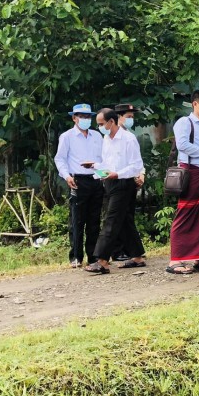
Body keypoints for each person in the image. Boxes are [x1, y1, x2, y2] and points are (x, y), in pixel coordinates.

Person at [84, 109, 146, 274]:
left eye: (101, 124)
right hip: (109, 182)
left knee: (111, 220)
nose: (99, 127)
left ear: (112, 121)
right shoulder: (106, 139)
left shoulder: (128, 139)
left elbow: (136, 165)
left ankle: (102, 260)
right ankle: (137, 257)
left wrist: (117, 174)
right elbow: (107, 163)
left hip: (124, 183)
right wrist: (95, 166)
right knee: (124, 220)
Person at [167, 90, 199, 274]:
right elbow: (183, 145)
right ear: (195, 104)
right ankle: (175, 259)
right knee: (185, 213)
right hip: (191, 171)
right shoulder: (184, 123)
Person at [54, 103, 104, 269]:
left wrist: (103, 176)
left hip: (96, 179)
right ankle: (75, 256)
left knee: (94, 220)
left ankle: (93, 256)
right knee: (77, 220)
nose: (85, 119)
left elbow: (103, 158)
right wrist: (67, 176)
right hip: (77, 180)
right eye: (81, 116)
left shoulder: (97, 136)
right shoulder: (67, 137)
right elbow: (60, 159)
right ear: (74, 118)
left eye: (88, 116)